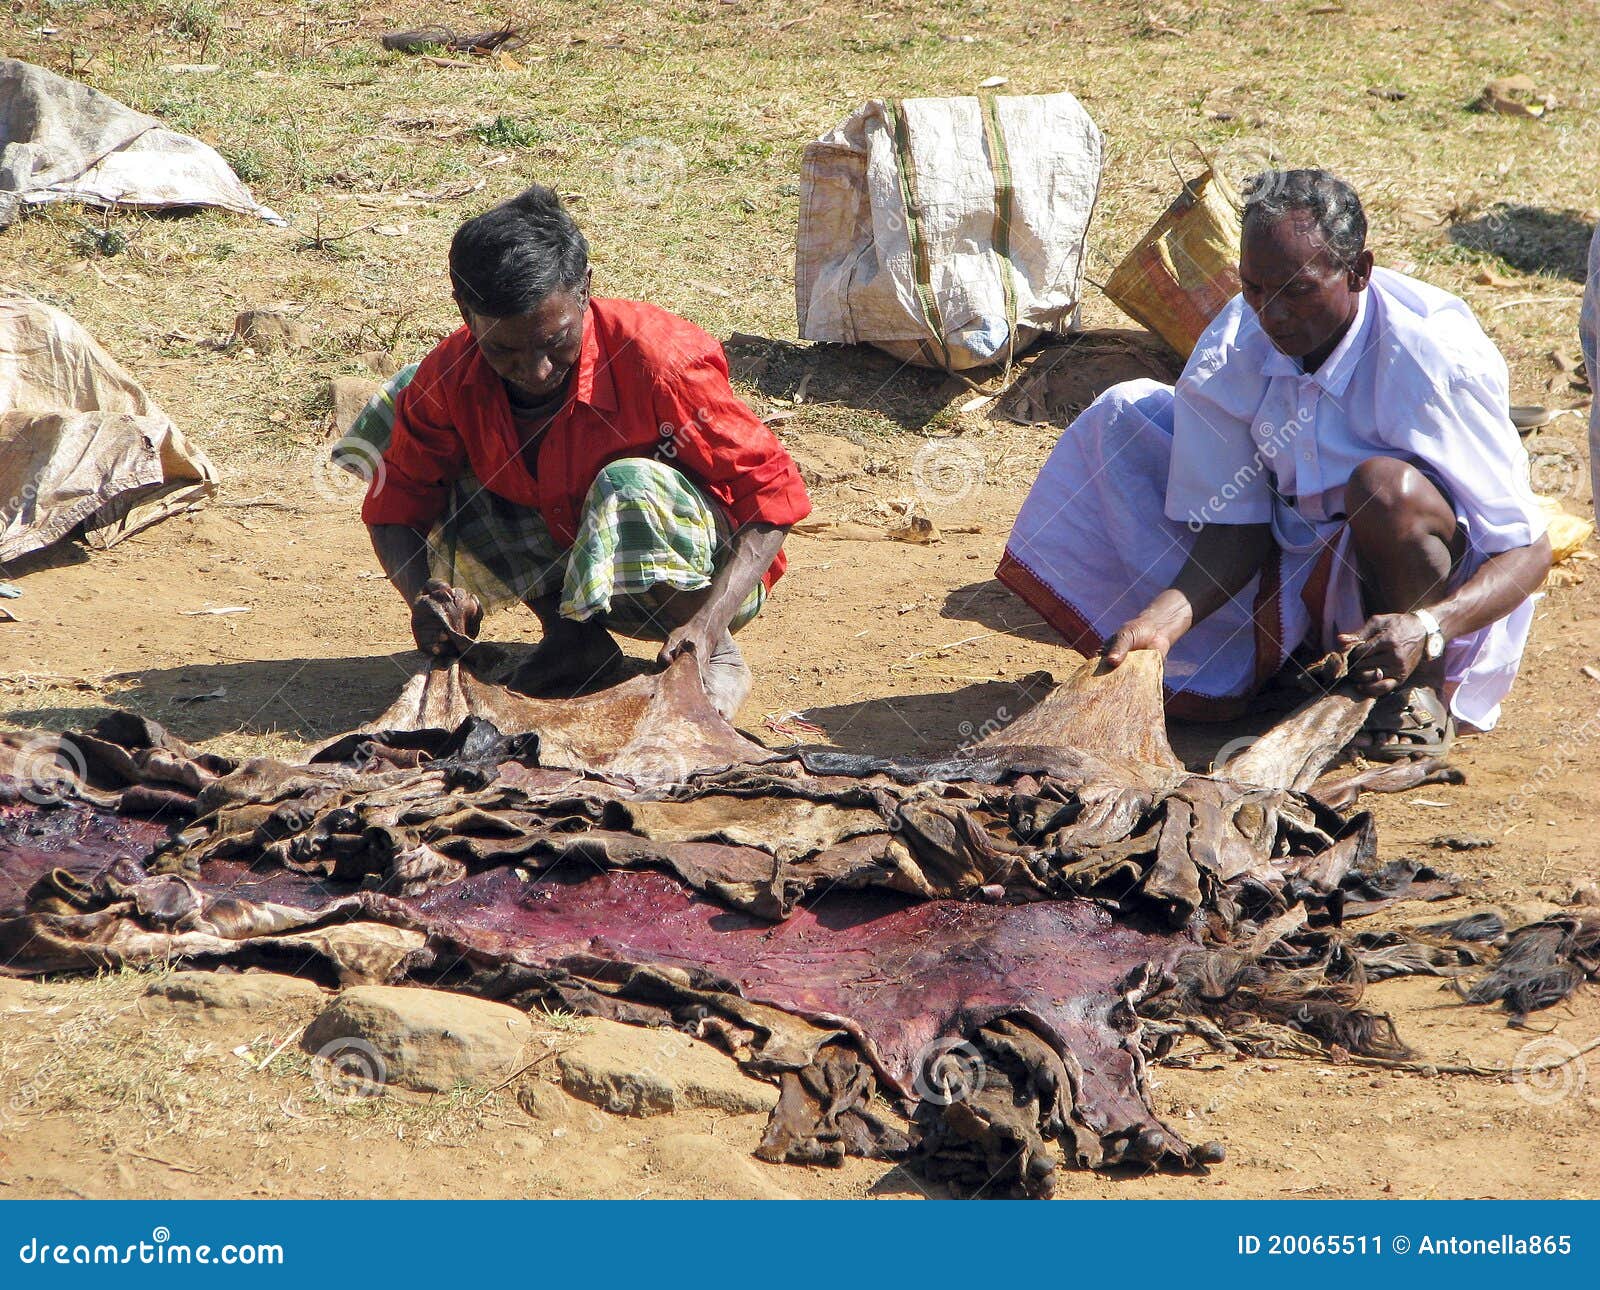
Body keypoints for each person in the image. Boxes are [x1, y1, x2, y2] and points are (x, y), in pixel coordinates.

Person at [998, 169, 1552, 758]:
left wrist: (1431, 626)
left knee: (1382, 488)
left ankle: (1414, 693)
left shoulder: (1431, 360)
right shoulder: (1234, 344)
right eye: (1256, 288)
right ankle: (1287, 658)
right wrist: (1161, 624)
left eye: (1299, 290)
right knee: (1124, 416)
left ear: (1359, 272)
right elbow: (1235, 527)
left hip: (1431, 582)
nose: (1273, 314)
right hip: (1300, 554)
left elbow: (1528, 551)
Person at [344, 185, 811, 718]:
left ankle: (710, 655)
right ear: (465, 312)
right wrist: (424, 602)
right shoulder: (451, 376)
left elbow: (773, 493)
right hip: (573, 563)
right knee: (400, 410)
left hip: (706, 582)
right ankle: (573, 640)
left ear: (586, 288)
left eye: (555, 341)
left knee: (628, 484)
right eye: (504, 349)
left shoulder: (660, 361)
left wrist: (707, 622)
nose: (536, 370)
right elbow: (396, 506)